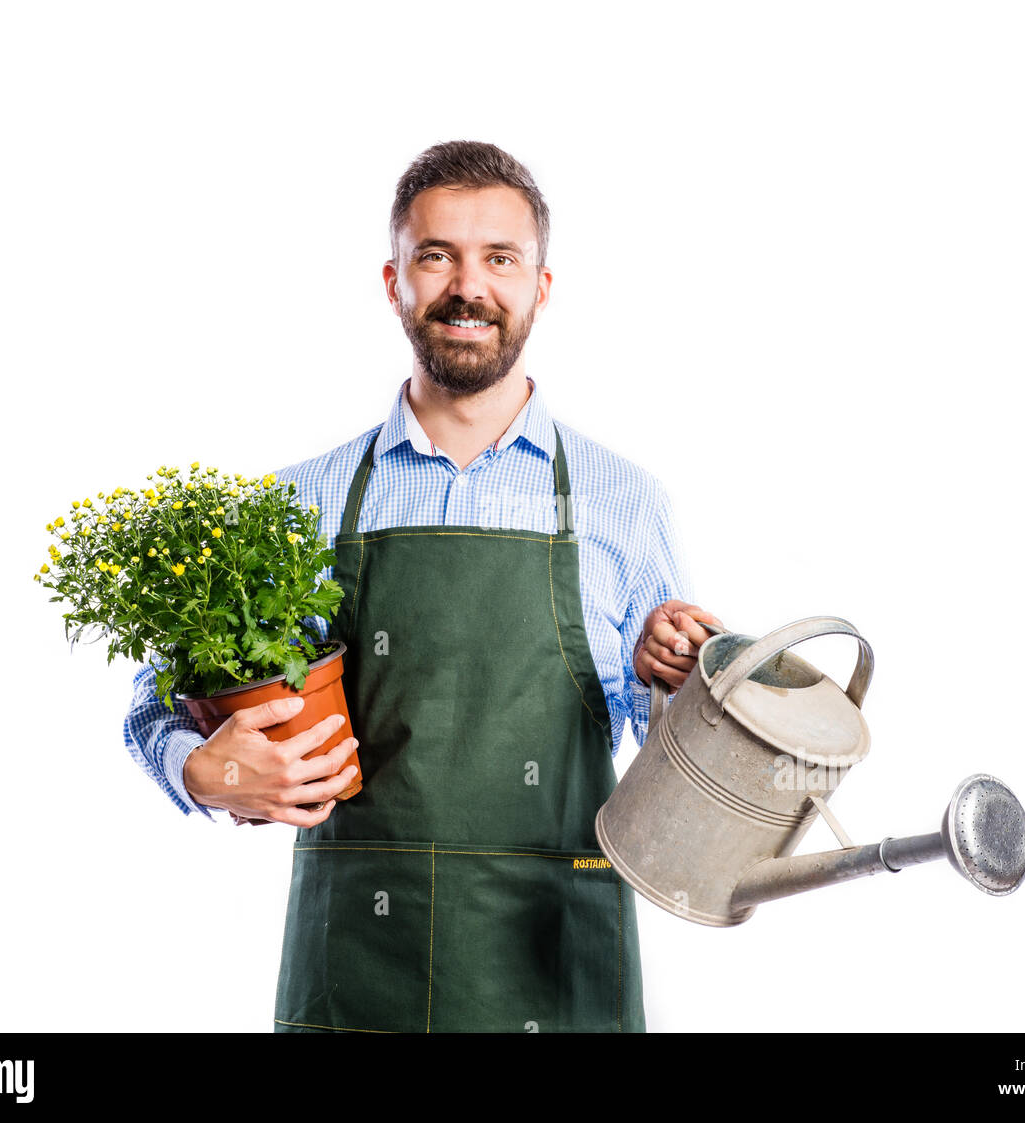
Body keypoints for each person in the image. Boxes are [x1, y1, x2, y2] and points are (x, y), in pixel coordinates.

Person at [123, 140, 721, 1033]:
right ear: (395, 281)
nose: (467, 286)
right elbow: (156, 701)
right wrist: (200, 769)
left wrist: (671, 679)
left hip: (556, 959)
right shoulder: (303, 499)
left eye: (500, 259)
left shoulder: (625, 501)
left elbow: (675, 770)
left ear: (541, 288)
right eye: (435, 255)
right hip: (360, 968)